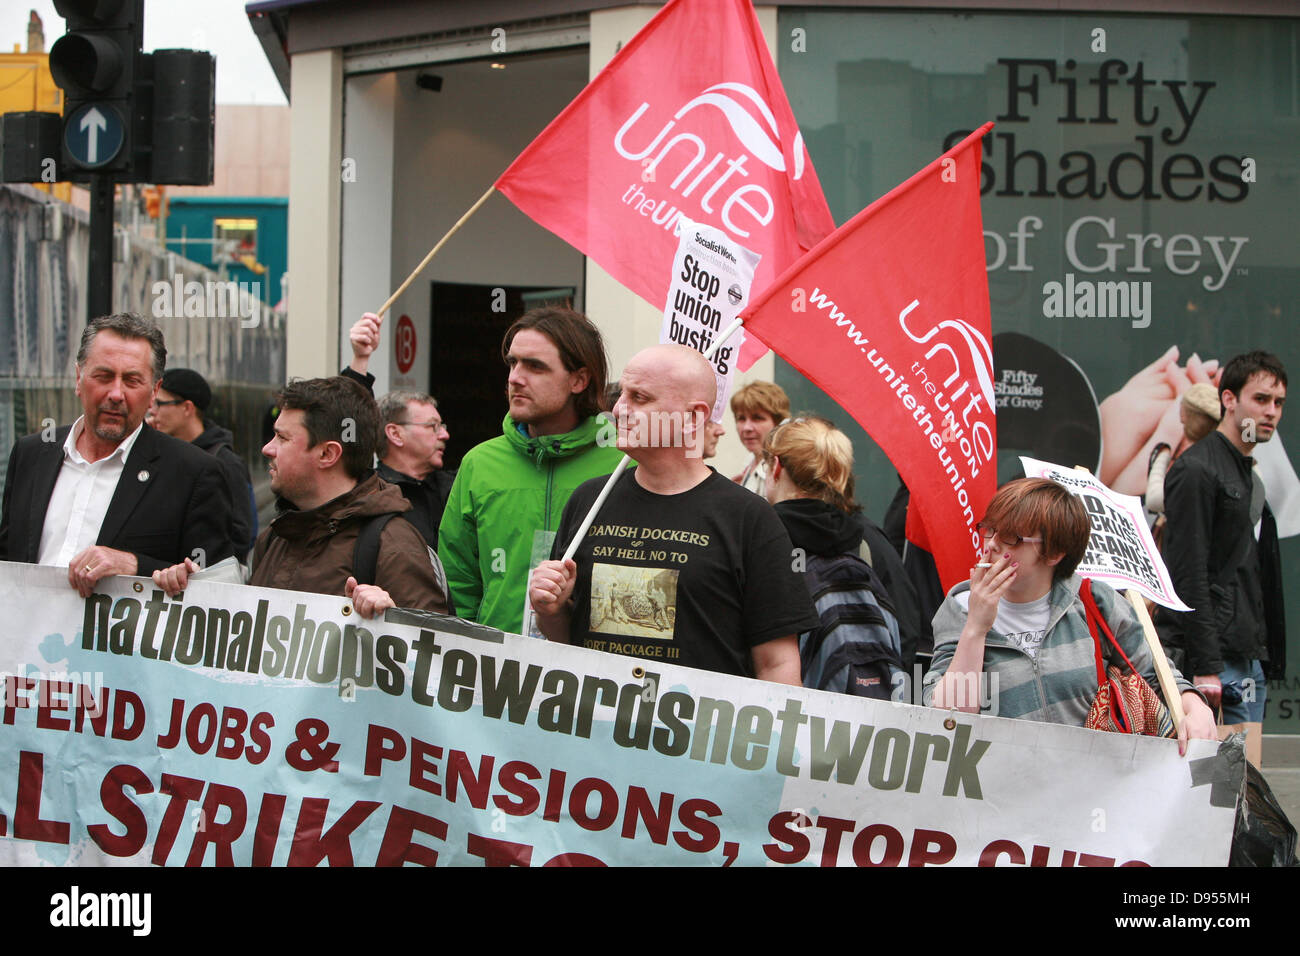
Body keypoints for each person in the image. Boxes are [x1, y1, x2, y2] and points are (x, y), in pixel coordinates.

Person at [528, 344, 815, 683]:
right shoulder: (589, 500)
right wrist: (551, 609)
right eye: (622, 395)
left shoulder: (749, 518)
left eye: (640, 398)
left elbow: (776, 665)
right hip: (594, 725)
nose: (619, 409)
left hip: (698, 732)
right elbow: (565, 641)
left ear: (693, 417)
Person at [924, 477, 1216, 755]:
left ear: (1054, 554)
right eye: (988, 529)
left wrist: (1193, 704)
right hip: (1003, 794)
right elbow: (949, 720)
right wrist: (976, 627)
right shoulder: (960, 607)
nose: (991, 544)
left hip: (1094, 792)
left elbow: (1156, 675)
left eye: (1011, 537)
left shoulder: (1094, 600)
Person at [153, 376, 450, 619]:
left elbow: (431, 668)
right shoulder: (274, 537)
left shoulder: (394, 546)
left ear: (327, 454)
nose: (267, 449)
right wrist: (195, 590)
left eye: (282, 438)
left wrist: (394, 620)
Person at [0, 313, 234, 596]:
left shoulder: (194, 473)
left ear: (154, 392)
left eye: (132, 380)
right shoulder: (31, 454)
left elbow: (219, 590)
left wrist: (133, 564)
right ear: (78, 378)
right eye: (104, 376)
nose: (115, 393)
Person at [438, 307, 624, 635]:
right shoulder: (479, 463)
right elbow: (457, 583)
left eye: (535, 366)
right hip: (494, 670)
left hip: (592, 673)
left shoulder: (623, 463)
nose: (515, 378)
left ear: (579, 379)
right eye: (512, 363)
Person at [1159, 351, 1288, 768]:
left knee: (1242, 797)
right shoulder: (1197, 470)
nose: (1271, 412)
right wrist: (1206, 667)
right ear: (1228, 400)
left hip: (1246, 656)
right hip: (1213, 664)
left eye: (1279, 403)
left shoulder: (1247, 473)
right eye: (1261, 399)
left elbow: (1254, 576)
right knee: (1210, 795)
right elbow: (1187, 573)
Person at [761, 416, 905, 697]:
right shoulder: (864, 540)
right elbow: (905, 632)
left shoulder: (760, 539)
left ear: (776, 467)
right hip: (857, 715)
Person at [338, 312, 455, 550]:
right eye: (433, 426)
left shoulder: (456, 490)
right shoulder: (368, 492)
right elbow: (348, 427)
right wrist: (361, 358)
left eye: (441, 427)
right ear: (395, 434)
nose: (444, 435)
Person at [147, 367, 257, 558]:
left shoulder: (225, 463)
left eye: (159, 403)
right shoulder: (158, 452)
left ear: (187, 408)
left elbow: (242, 535)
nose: (152, 412)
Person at [729, 380, 789, 494]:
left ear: (778, 422)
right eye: (741, 418)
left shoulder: (783, 469)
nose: (747, 427)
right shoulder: (749, 461)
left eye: (757, 418)